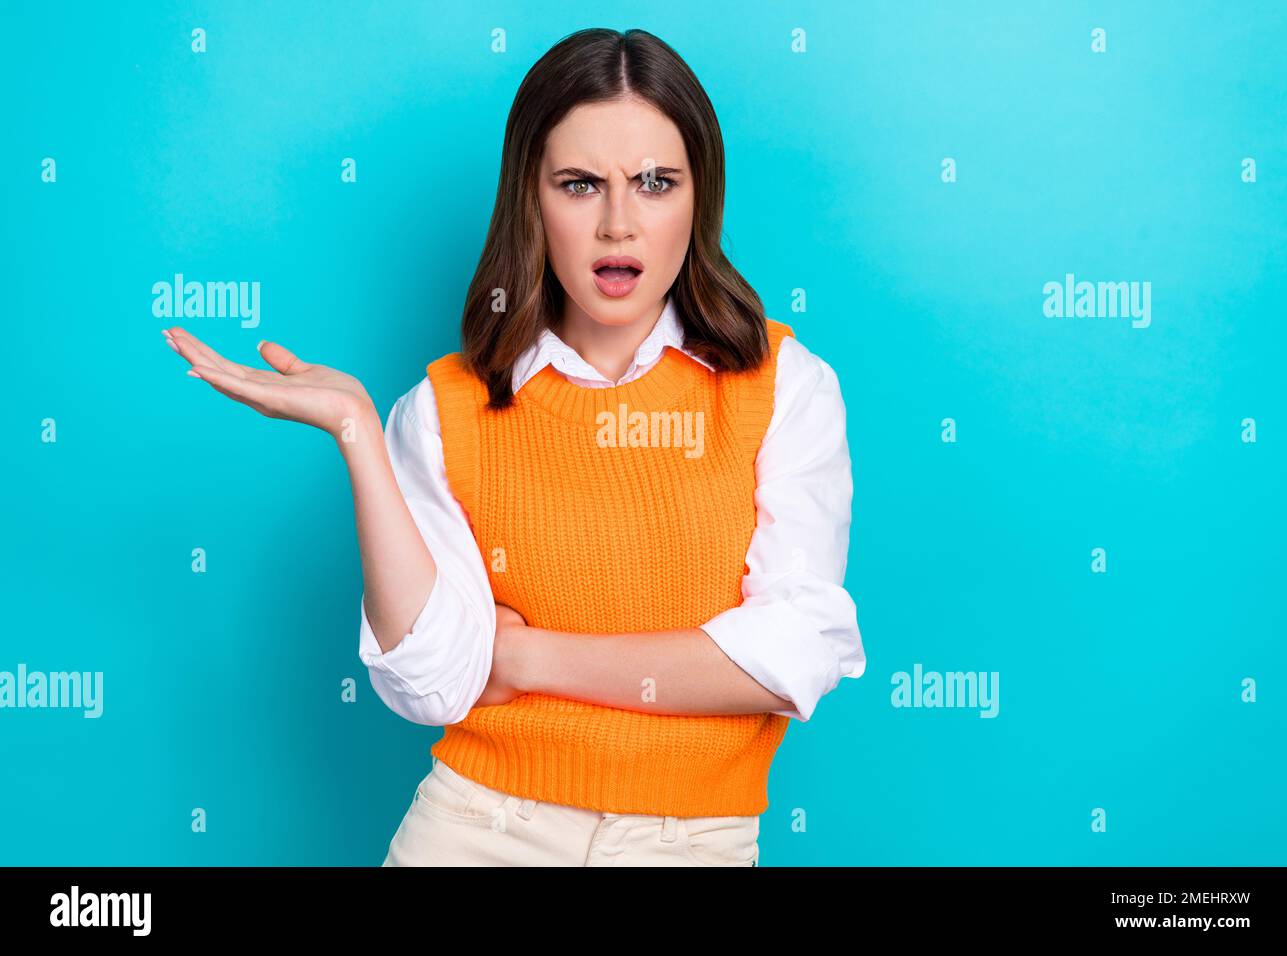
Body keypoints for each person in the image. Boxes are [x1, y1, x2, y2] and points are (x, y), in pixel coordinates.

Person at [162, 27, 865, 866]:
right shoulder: (441, 411)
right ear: (531, 197)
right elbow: (432, 683)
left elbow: (791, 660)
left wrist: (524, 655)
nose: (617, 223)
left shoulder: (785, 386)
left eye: (654, 183)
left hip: (695, 842)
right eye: (579, 184)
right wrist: (358, 433)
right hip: (475, 830)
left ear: (697, 196)